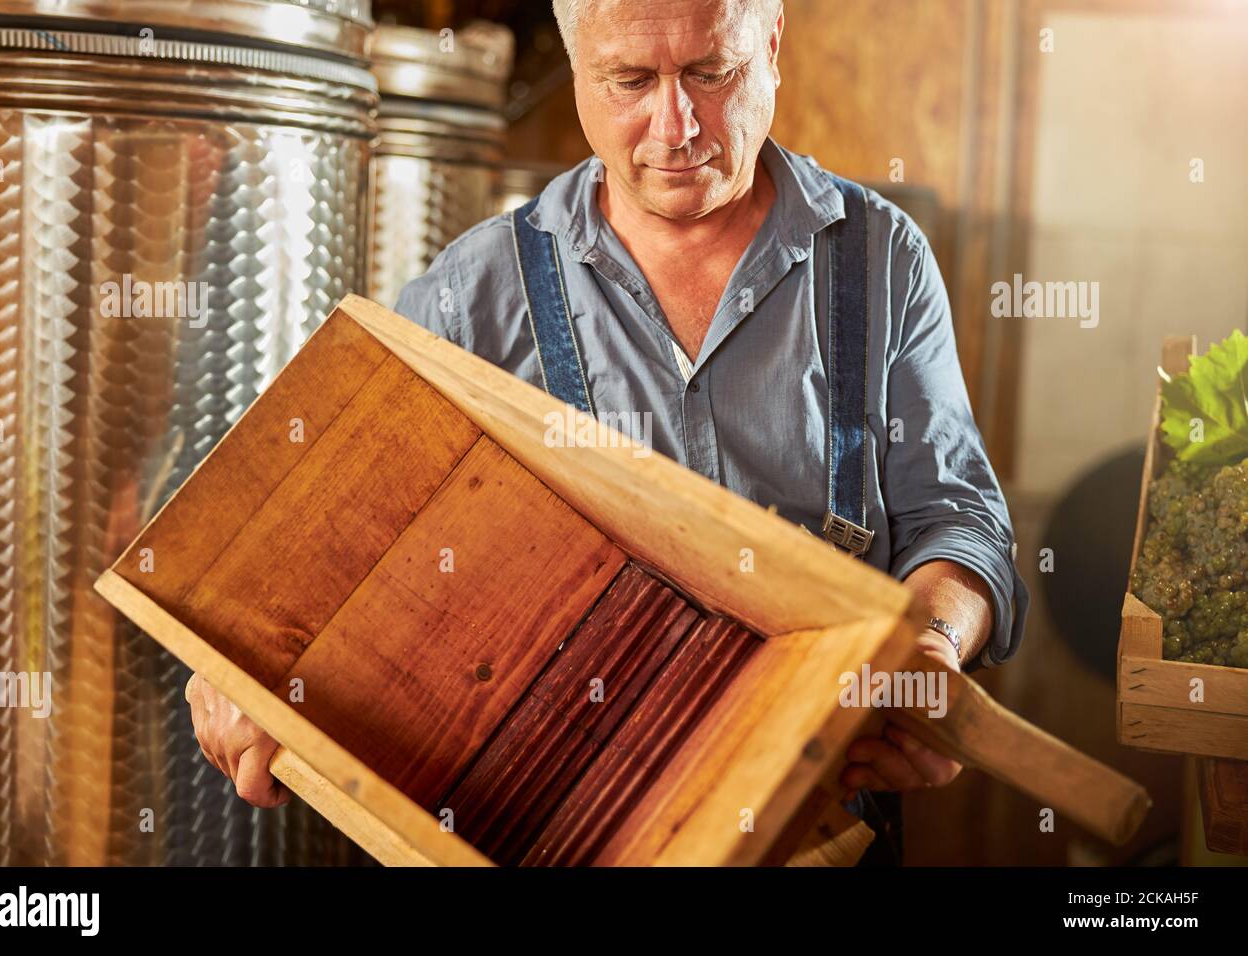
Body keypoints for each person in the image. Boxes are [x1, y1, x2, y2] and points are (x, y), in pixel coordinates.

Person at [187, 0, 1029, 865]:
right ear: (579, 67)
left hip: (822, 827)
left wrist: (931, 644)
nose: (678, 125)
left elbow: (955, 519)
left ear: (771, 43)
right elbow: (333, 553)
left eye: (713, 72)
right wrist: (239, 663)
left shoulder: (881, 256)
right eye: (631, 80)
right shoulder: (473, 293)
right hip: (563, 830)